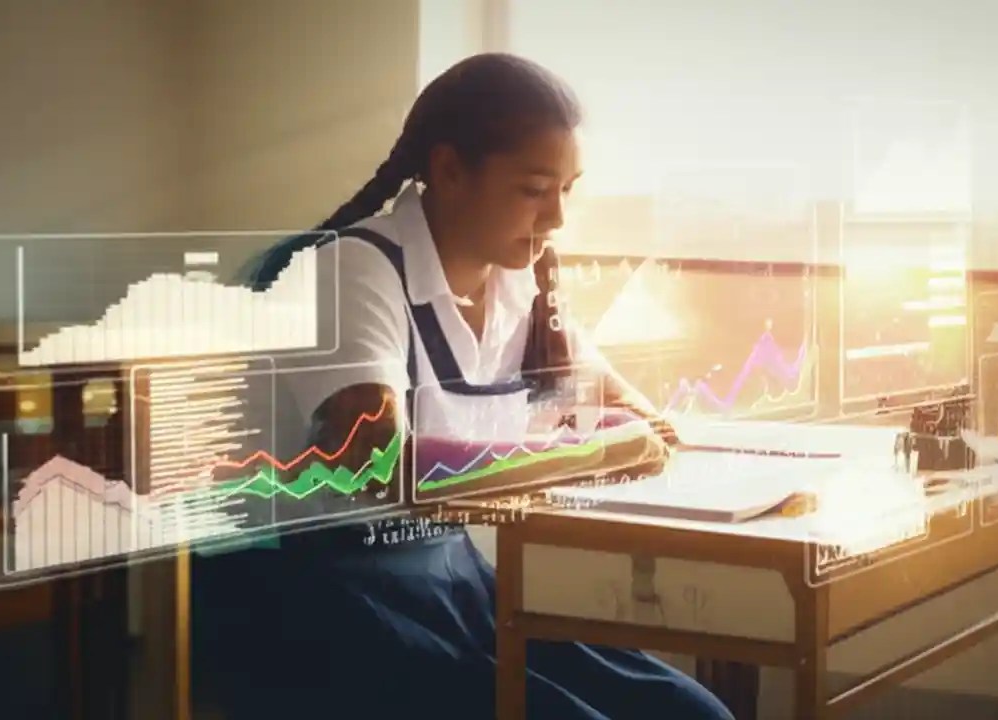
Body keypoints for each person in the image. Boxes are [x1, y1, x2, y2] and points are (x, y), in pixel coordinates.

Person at [191, 53, 732, 720]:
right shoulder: (350, 271)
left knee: (692, 712)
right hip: (313, 603)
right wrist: (597, 453)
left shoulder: (521, 283)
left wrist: (617, 439)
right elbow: (381, 466)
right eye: (535, 190)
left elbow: (639, 420)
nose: (558, 217)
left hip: (449, 582)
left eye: (569, 189)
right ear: (448, 170)